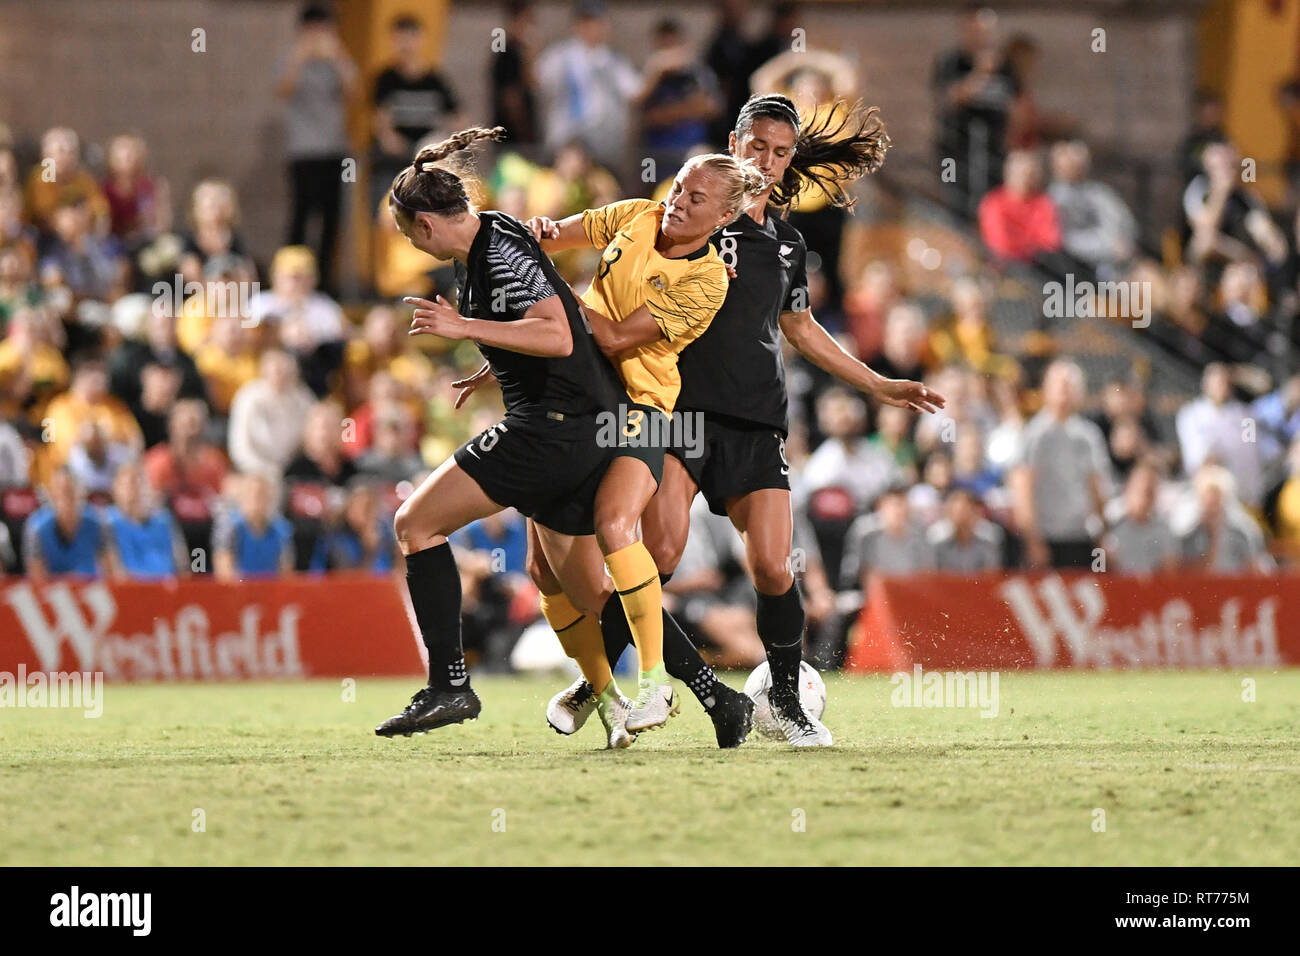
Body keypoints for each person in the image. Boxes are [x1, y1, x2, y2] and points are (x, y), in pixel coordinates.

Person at [533, 94, 943, 748]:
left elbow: (800, 329)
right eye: (758, 147)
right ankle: (597, 682)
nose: (769, 162)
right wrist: (552, 235)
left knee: (776, 570)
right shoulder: (690, 214)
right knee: (658, 555)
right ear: (734, 141)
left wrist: (876, 382)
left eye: (782, 153)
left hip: (755, 420)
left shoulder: (786, 242)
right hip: (679, 414)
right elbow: (619, 234)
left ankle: (786, 701)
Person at [372, 127, 636, 744]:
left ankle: (450, 686)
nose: (412, 245)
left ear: (427, 225)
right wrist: (490, 370)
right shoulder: (495, 230)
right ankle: (685, 691)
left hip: (551, 430)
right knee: (578, 590)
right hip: (578, 424)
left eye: (409, 233)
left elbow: (558, 334)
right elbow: (550, 317)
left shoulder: (491, 257)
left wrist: (462, 325)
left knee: (415, 525)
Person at [516, 148, 766, 743]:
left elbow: (612, 335)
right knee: (543, 570)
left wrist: (550, 287)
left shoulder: (707, 282)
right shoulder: (638, 214)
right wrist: (536, 237)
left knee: (618, 529)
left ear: (725, 216)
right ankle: (652, 697)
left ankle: (645, 684)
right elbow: (556, 238)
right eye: (679, 187)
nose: (678, 202)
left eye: (695, 198)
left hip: (643, 412)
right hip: (577, 394)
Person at [276, 3, 358, 293]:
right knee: (301, 215)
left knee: (332, 218)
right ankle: (289, 280)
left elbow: (355, 91)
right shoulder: (291, 58)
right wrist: (301, 56)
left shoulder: (336, 60)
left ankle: (326, 284)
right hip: (302, 151)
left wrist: (338, 54)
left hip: (334, 151)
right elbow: (283, 90)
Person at [1009, 359, 1113, 568]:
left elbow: (1096, 487)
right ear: (1045, 390)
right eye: (1060, 385)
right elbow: (1022, 488)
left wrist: (1103, 533)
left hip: (1080, 535)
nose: (1065, 392)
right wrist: (1033, 541)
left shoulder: (1088, 435)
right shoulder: (1034, 435)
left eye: (1070, 386)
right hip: (1046, 536)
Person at [534, 0, 641, 175]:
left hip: (602, 150)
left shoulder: (614, 60)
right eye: (586, 21)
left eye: (597, 21)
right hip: (565, 147)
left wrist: (658, 68)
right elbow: (538, 81)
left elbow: (635, 92)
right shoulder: (560, 55)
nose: (592, 27)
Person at [371, 14, 461, 214]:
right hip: (392, 165)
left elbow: (458, 119)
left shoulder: (436, 81)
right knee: (388, 213)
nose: (405, 45)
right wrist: (396, 143)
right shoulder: (386, 80)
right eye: (399, 39)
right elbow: (381, 124)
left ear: (421, 40)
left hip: (426, 167)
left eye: (410, 38)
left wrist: (440, 143)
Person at [22, 468, 106, 580]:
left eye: (71, 491)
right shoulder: (36, 527)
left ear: (82, 493)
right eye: (60, 492)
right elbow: (36, 577)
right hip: (51, 592)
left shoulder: (97, 522)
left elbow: (110, 571)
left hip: (92, 590)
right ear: (51, 494)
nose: (65, 498)